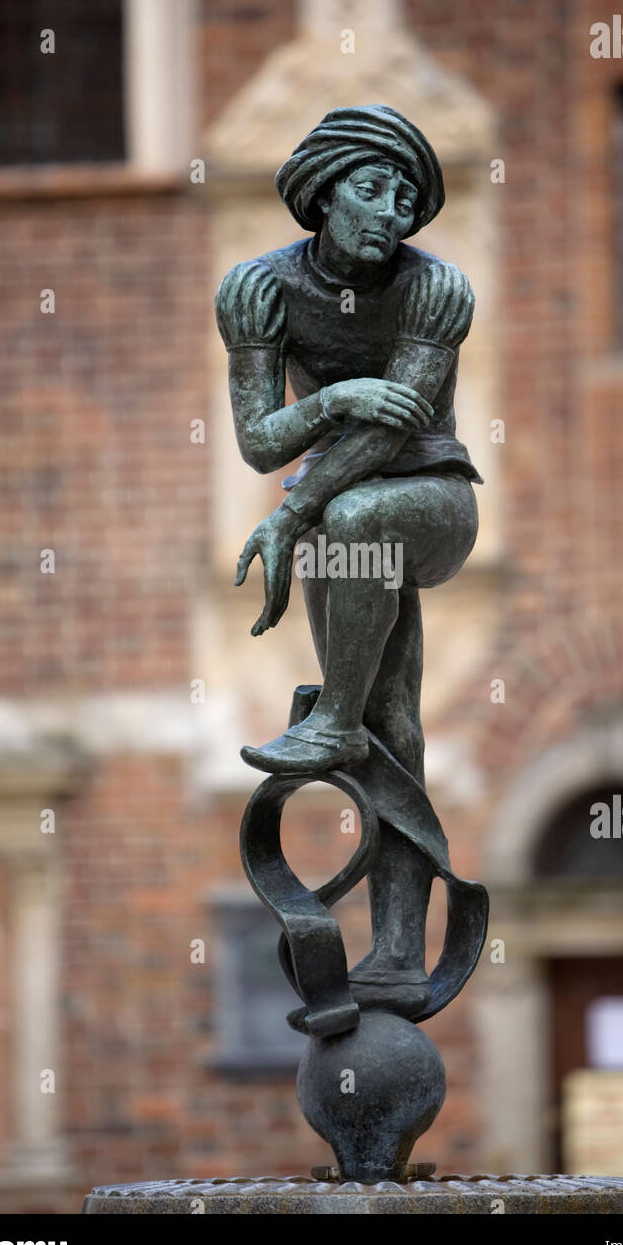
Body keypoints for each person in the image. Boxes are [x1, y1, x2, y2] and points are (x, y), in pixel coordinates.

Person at [215, 105, 482, 1014]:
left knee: (361, 517)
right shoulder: (258, 290)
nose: (392, 214)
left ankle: (331, 722)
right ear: (322, 195)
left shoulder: (435, 291)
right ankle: (399, 952)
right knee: (393, 710)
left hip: (432, 503)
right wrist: (336, 403)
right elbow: (258, 441)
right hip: (338, 519)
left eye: (406, 198)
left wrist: (296, 510)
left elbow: (397, 428)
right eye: (371, 190)